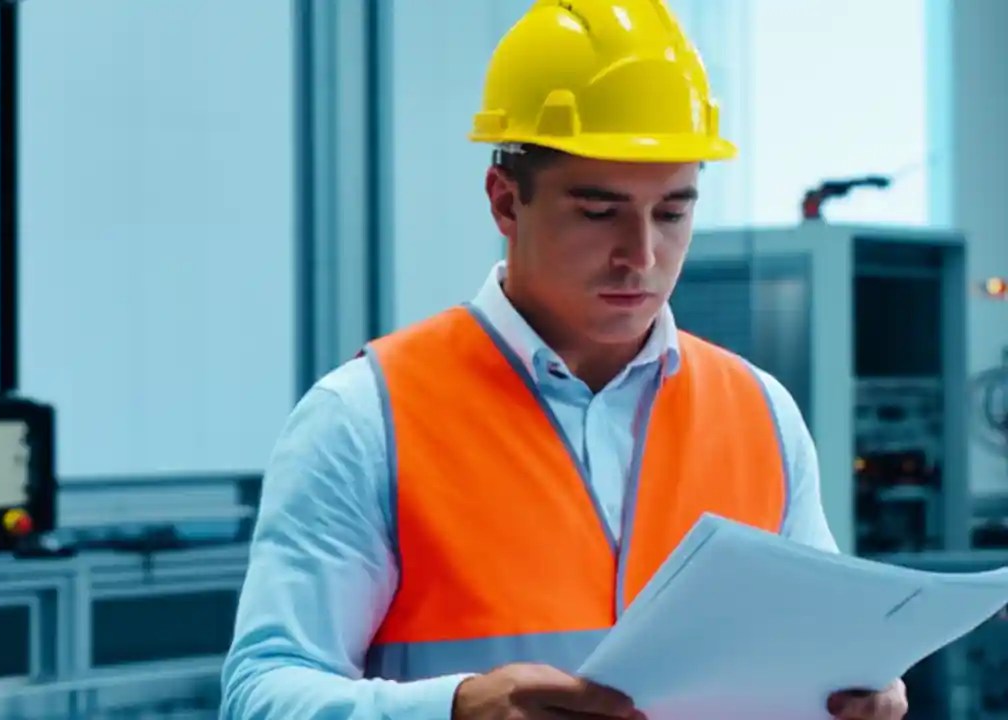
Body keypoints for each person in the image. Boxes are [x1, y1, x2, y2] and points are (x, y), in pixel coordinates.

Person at [221, 1, 908, 718]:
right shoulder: (366, 419)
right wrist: (451, 710)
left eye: (672, 213)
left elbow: (817, 652)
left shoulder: (761, 414)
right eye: (598, 210)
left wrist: (855, 692)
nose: (641, 255)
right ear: (505, 201)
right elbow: (261, 695)